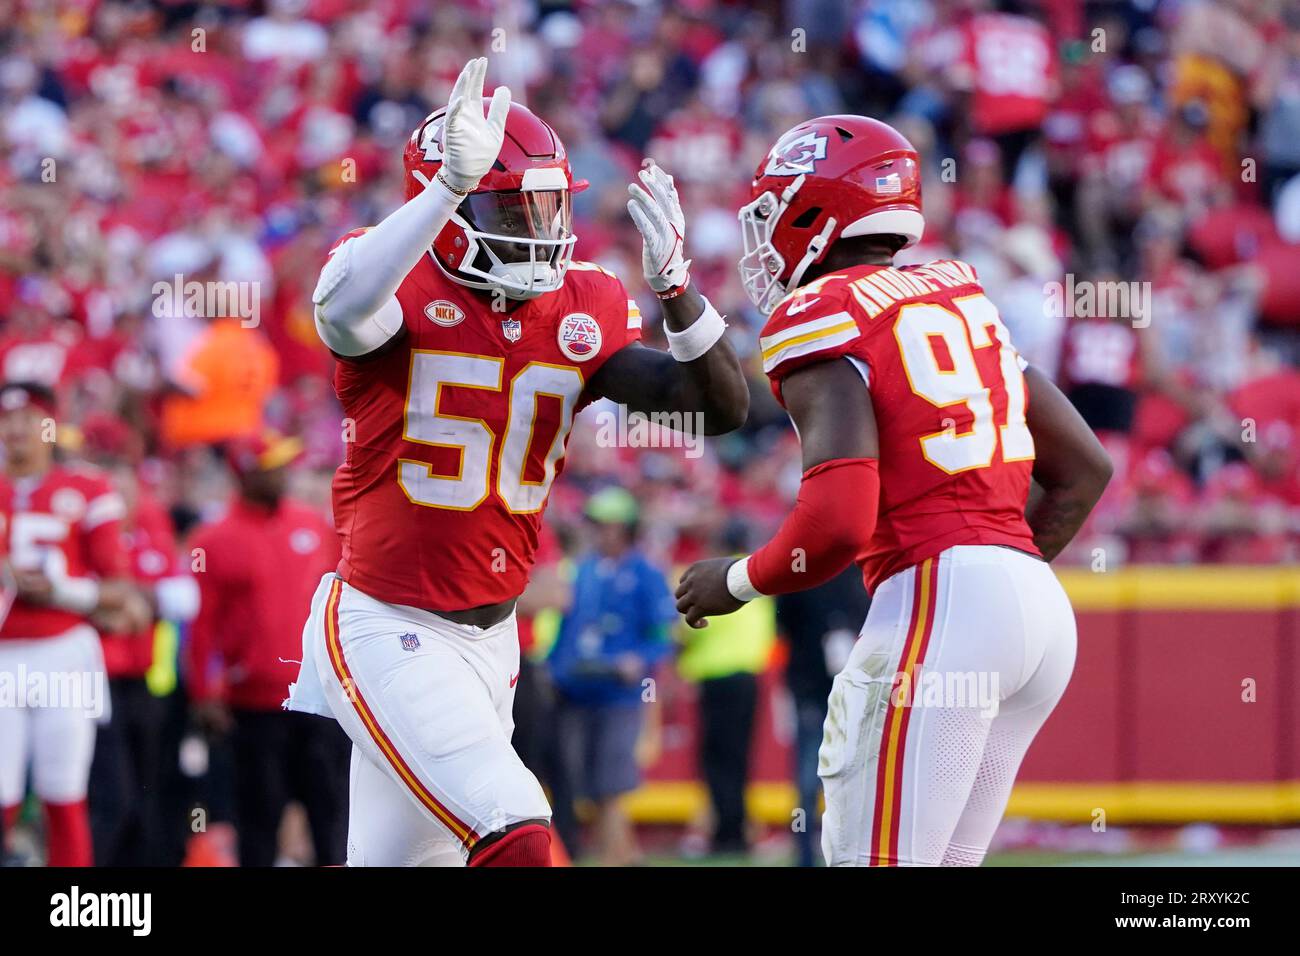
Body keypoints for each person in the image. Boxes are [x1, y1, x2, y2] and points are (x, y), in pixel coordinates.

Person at [284, 58, 748, 867]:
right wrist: (442, 193)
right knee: (520, 832)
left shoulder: (582, 302)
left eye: (547, 205)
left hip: (494, 642)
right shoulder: (389, 278)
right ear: (456, 207)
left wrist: (677, 289)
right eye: (512, 205)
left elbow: (716, 407)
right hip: (386, 623)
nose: (538, 228)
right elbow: (343, 310)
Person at [677, 114, 1113, 866]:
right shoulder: (961, 297)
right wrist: (997, 574)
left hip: (937, 602)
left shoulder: (820, 312)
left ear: (815, 211)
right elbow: (1085, 470)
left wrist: (736, 581)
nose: (766, 234)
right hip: (1037, 613)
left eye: (775, 209)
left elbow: (840, 520)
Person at [0, 381, 147, 866]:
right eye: (7, 418)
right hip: (4, 655)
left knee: (64, 793)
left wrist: (62, 591)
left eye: (28, 418)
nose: (16, 429)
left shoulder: (86, 488)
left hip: (64, 652)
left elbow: (119, 585)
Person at [187, 431, 348, 867]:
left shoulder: (311, 524)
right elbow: (201, 627)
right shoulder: (213, 539)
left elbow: (342, 599)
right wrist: (205, 694)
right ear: (247, 474)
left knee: (331, 811)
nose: (283, 473)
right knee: (259, 815)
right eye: (273, 465)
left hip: (321, 698)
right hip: (256, 703)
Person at [547, 488, 673, 865]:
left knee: (611, 785)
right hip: (576, 689)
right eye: (595, 524)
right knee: (589, 787)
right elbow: (566, 631)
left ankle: (614, 857)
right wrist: (554, 670)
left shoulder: (646, 573)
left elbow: (663, 637)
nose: (598, 532)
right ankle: (624, 855)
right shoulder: (581, 570)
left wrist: (638, 660)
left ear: (625, 528)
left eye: (605, 525)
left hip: (619, 695)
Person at [775, 565, 869, 867]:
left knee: (847, 776)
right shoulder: (801, 575)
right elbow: (783, 624)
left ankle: (845, 853)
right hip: (812, 690)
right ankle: (805, 854)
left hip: (844, 690)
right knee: (809, 779)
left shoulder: (851, 573)